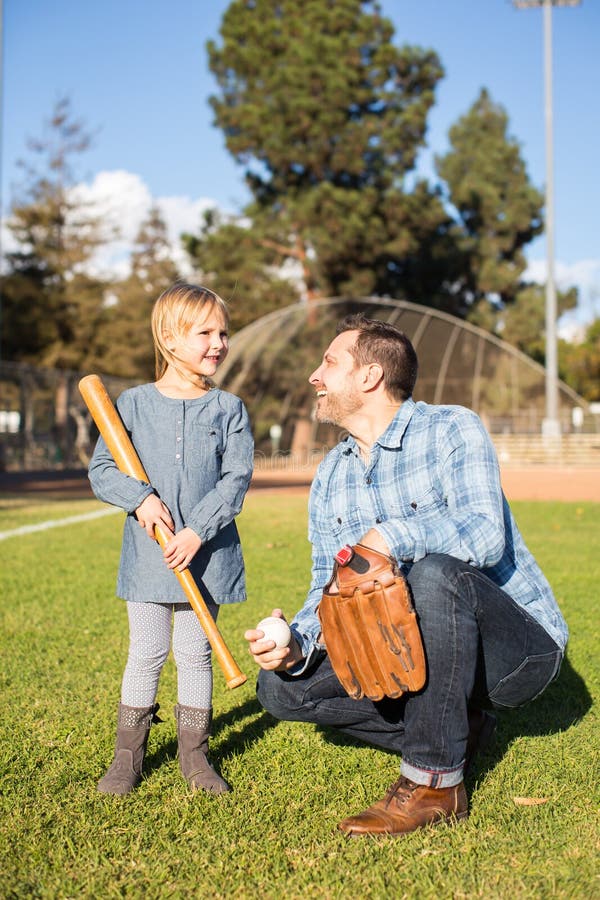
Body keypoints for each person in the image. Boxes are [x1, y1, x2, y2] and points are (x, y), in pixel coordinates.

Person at [245, 314, 567, 837]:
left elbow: (486, 536)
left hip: (514, 654)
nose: (314, 376)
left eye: (329, 362)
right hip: (416, 644)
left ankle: (435, 782)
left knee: (434, 572)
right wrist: (297, 644)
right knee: (283, 689)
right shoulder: (331, 474)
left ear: (370, 376)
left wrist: (392, 537)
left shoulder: (451, 428)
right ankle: (459, 726)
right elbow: (327, 587)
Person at [89, 282, 253, 796]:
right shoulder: (132, 405)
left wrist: (197, 530)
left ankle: (195, 756)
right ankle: (127, 757)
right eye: (205, 332)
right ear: (169, 337)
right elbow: (101, 469)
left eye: (223, 332)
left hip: (207, 556)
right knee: (147, 651)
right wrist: (139, 497)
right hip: (149, 556)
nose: (218, 343)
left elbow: (236, 479)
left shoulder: (230, 409)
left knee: (196, 654)